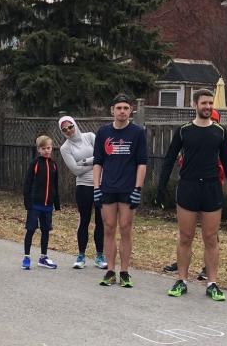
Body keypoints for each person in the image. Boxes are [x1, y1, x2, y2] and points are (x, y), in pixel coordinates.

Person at [156, 89, 227, 302]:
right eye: (204, 103)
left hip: (211, 189)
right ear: (195, 104)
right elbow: (169, 159)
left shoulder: (220, 131)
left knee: (211, 238)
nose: (208, 107)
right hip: (188, 187)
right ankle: (181, 280)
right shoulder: (184, 131)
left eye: (211, 103)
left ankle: (212, 283)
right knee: (185, 237)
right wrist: (161, 187)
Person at [92, 94, 148, 289]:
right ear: (112, 110)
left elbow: (142, 163)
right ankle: (110, 271)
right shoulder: (103, 132)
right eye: (119, 108)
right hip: (107, 188)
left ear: (131, 110)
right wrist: (96, 187)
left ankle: (124, 272)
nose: (122, 111)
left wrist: (137, 188)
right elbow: (97, 162)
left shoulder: (137, 133)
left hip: (127, 188)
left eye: (126, 108)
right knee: (108, 228)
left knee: (125, 228)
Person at [58, 115, 106, 270]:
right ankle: (81, 255)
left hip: (101, 184)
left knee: (101, 221)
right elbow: (75, 170)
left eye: (70, 127)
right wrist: (94, 161)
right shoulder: (65, 148)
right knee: (84, 220)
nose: (69, 131)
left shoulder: (90, 137)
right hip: (83, 186)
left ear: (75, 125)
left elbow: (102, 156)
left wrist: (84, 161)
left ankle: (99, 255)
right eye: (64, 129)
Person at [22, 135, 60, 270]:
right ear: (38, 149)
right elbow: (27, 183)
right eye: (43, 148)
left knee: (45, 230)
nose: (47, 151)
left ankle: (43, 257)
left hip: (48, 205)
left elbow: (55, 185)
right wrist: (27, 202)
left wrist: (57, 203)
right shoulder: (35, 163)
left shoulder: (54, 164)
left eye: (48, 148)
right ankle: (26, 257)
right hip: (34, 204)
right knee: (31, 230)